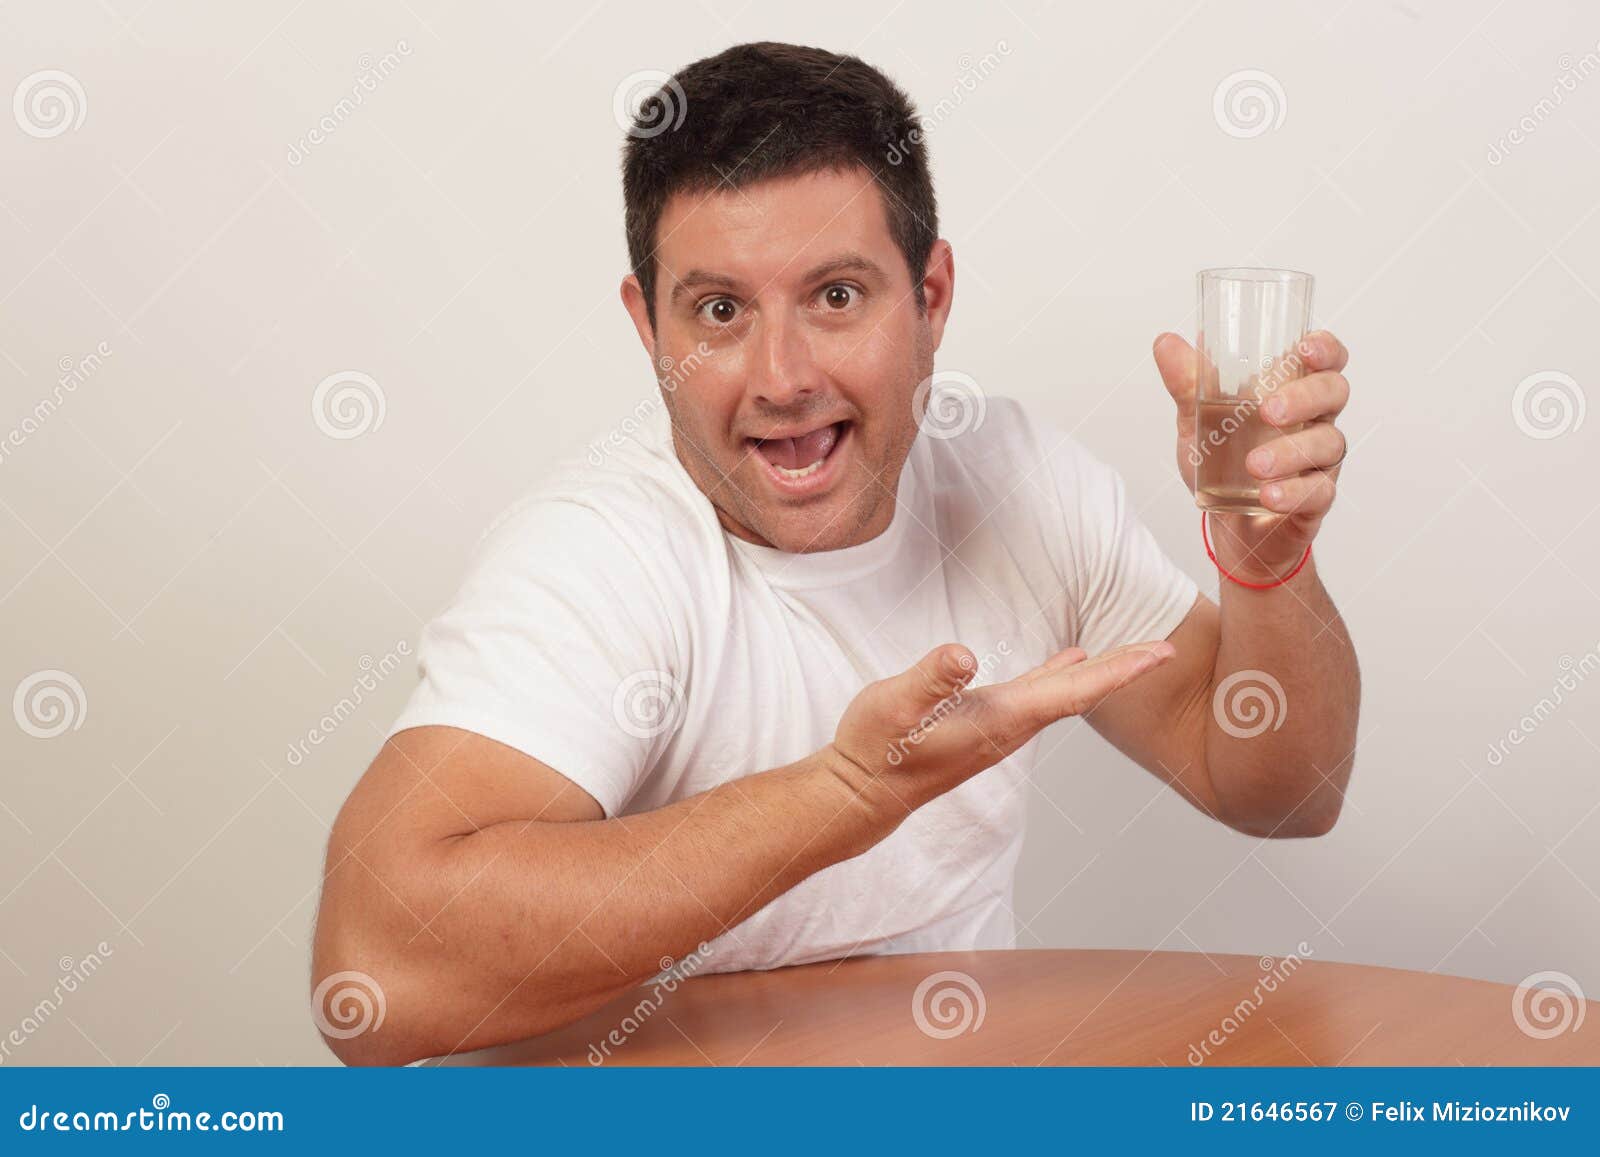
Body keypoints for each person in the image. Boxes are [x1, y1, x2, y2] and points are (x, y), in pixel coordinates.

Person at [311, 41, 1359, 1066]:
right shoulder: (596, 553)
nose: (780, 376)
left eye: (836, 297)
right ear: (649, 329)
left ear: (931, 299)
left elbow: (1278, 789)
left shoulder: (1022, 486)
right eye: (719, 311)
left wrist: (1265, 564)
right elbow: (373, 985)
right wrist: (851, 792)